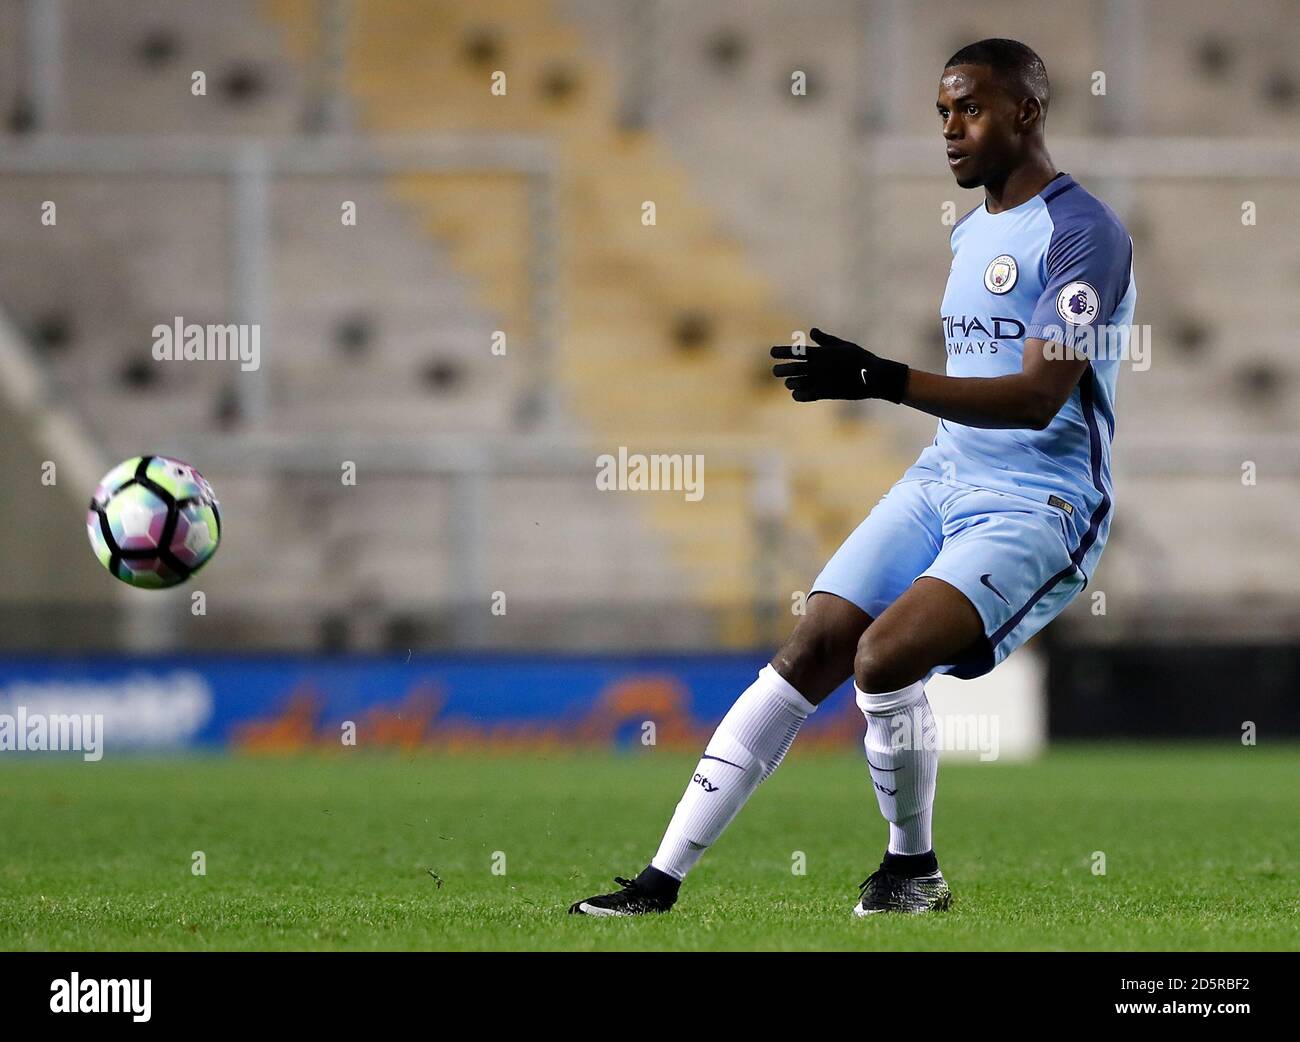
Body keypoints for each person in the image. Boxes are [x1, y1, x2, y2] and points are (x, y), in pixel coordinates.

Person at [571, 38, 1136, 917]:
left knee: (883, 657)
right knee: (809, 649)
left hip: (1040, 501)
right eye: (942, 112)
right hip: (944, 474)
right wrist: (888, 385)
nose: (951, 130)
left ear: (1027, 112)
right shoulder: (975, 227)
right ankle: (657, 882)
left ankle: (913, 872)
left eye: (972, 109)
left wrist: (881, 378)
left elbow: (1035, 396)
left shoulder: (1083, 234)